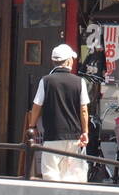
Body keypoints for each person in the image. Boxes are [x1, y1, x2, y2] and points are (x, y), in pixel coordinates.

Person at [27, 44, 90, 182]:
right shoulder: (79, 82)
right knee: (73, 176)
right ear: (67, 61)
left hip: (52, 136)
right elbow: (84, 109)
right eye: (72, 59)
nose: (72, 62)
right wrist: (85, 132)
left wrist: (32, 126)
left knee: (51, 174)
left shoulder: (46, 81)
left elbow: (37, 106)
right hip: (74, 137)